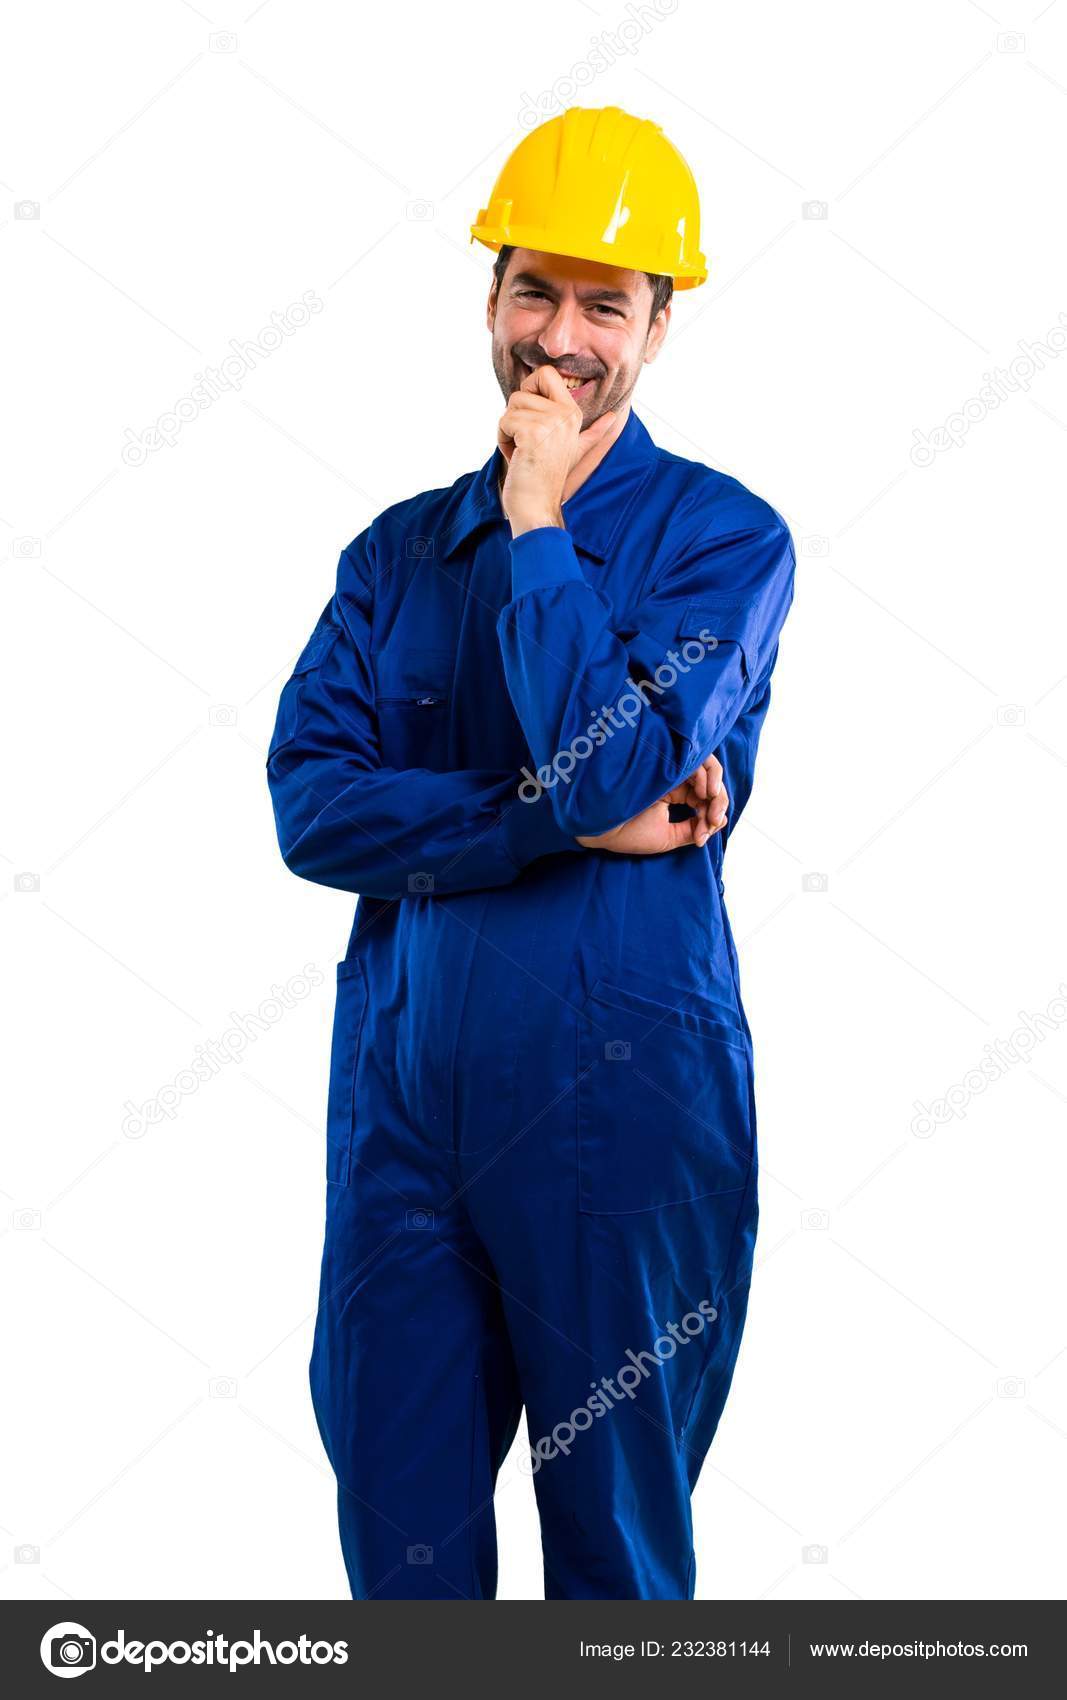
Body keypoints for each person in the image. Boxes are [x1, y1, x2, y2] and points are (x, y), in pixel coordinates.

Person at [267, 104, 796, 1600]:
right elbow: (312, 806)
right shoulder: (392, 556)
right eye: (534, 291)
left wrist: (540, 522)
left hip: (619, 1115)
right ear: (491, 297)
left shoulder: (726, 543)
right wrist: (537, 816)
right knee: (400, 1534)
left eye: (604, 305)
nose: (560, 335)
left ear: (658, 328)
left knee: (611, 1565)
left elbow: (621, 763)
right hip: (404, 1122)